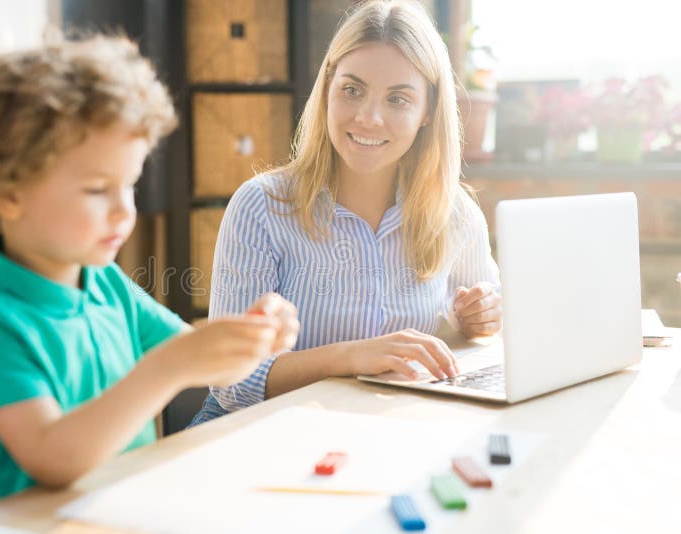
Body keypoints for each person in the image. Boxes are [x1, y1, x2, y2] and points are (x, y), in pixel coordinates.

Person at [0, 34, 298, 506]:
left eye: (130, 185)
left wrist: (252, 336)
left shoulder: (106, 285)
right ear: (8, 192)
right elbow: (52, 459)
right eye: (98, 189)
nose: (125, 212)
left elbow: (209, 368)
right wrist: (168, 368)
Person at [191, 0, 501, 425]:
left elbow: (482, 327)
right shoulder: (261, 206)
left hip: (378, 430)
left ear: (427, 111)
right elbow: (230, 380)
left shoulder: (455, 215)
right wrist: (356, 355)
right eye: (352, 90)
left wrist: (480, 319)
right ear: (327, 88)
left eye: (398, 99)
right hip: (255, 433)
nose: (368, 118)